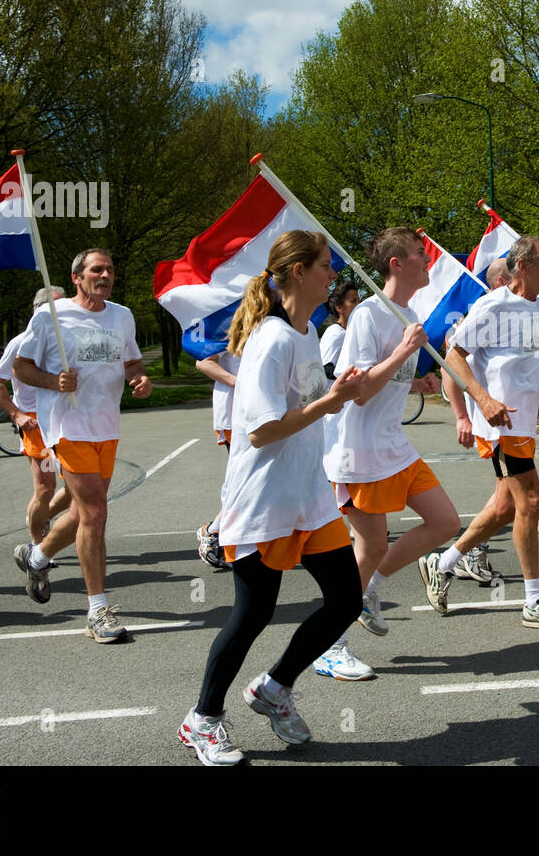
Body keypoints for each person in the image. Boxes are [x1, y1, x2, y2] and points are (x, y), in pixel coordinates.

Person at [178, 230, 365, 765]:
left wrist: (333, 388)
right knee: (253, 614)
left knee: (345, 600)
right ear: (299, 272)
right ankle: (203, 719)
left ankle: (274, 687)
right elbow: (259, 430)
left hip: (308, 495)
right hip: (263, 498)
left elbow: (306, 400)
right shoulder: (273, 338)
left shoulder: (307, 333)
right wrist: (329, 402)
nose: (334, 275)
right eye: (327, 265)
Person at [312, 227, 458, 681]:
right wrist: (404, 351)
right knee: (370, 545)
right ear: (396, 263)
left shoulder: (407, 312)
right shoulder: (368, 316)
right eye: (419, 253)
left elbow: (385, 381)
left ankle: (370, 589)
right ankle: (328, 647)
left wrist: (416, 380)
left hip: (394, 444)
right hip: (360, 451)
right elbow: (356, 391)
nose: (427, 259)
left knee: (446, 523)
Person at [418, 236, 539, 629]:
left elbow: (529, 355)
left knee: (506, 508)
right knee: (531, 502)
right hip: (499, 423)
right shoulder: (492, 305)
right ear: (522, 267)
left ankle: (441, 563)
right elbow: (453, 352)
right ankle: (534, 599)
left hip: (522, 421)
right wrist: (483, 400)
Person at [12, 249, 150, 642]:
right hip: (67, 426)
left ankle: (36, 557)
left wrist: (141, 380)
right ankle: (97, 611)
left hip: (106, 425)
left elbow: (132, 364)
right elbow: (20, 368)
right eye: (97, 269)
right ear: (77, 277)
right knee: (95, 513)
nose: (105, 275)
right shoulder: (50, 317)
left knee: (85, 510)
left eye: (110, 269)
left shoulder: (122, 315)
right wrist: (53, 380)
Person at [439, 256, 510, 584]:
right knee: (511, 500)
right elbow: (449, 365)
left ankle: (462, 553)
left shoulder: (520, 311)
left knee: (513, 500)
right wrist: (461, 417)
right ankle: (456, 556)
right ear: (500, 282)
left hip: (511, 422)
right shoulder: (483, 313)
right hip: (492, 423)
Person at [0, 286, 72, 557]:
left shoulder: (66, 340)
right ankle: (37, 546)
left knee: (73, 489)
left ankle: (39, 517)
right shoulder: (21, 342)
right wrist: (17, 415)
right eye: (57, 307)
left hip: (65, 419)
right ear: (40, 311)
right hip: (35, 424)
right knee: (46, 487)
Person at [192, 350, 239, 570]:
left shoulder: (276, 317)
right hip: (235, 412)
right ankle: (214, 531)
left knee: (261, 480)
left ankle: (221, 531)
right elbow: (203, 362)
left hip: (266, 408)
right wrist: (239, 382)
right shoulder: (223, 317)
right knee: (243, 481)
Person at [320, 281, 360, 378]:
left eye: (359, 300)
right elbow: (326, 369)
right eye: (353, 301)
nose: (359, 304)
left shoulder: (349, 332)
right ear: (339, 307)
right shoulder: (336, 333)